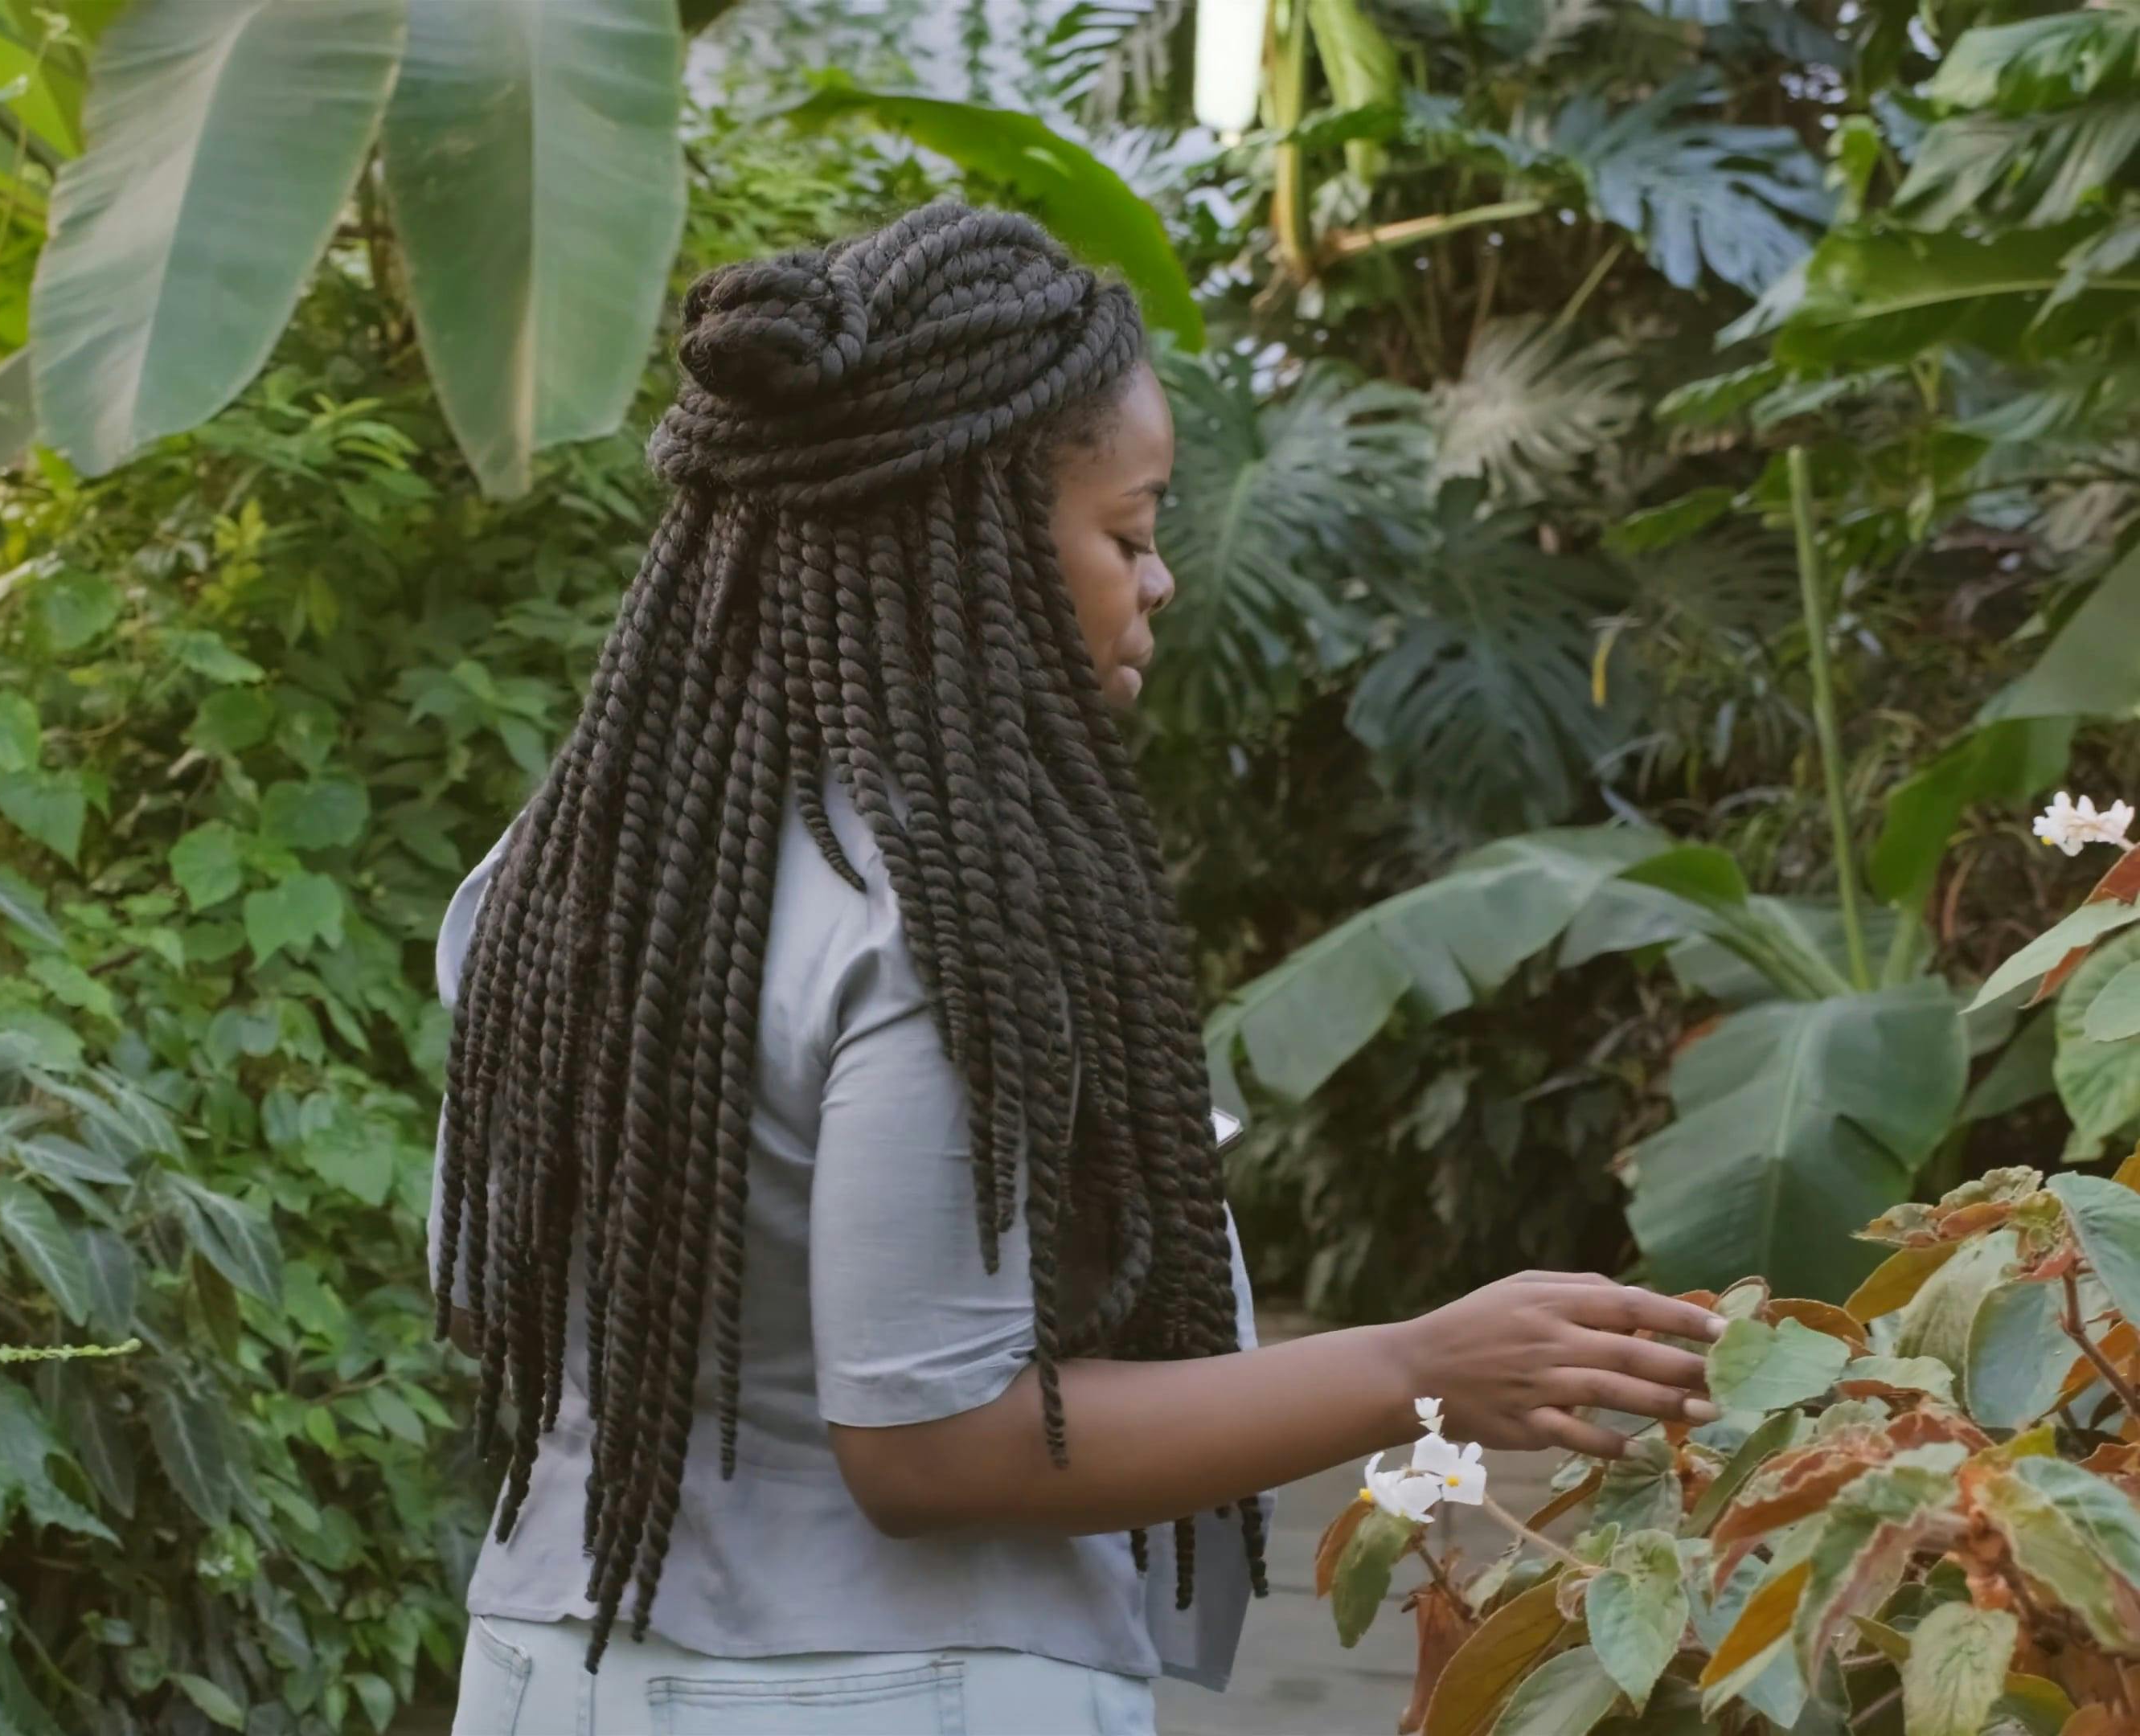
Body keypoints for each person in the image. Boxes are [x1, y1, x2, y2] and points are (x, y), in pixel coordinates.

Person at [428, 200, 1723, 1735]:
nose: (1158, 583)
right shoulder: (936, 933)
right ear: (963, 537)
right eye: (1131, 530)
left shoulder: (578, 870)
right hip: (868, 1695)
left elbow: (485, 1293)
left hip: (546, 1665)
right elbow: (932, 1449)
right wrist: (1417, 1364)